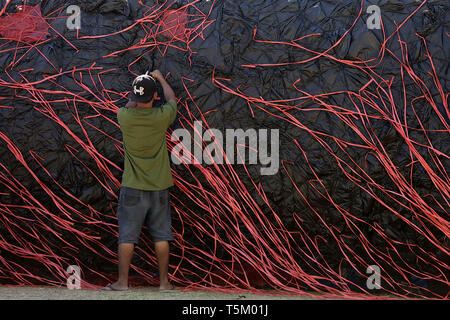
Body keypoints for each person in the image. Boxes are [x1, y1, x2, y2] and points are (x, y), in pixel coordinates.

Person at [103, 70, 177, 291]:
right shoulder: (162, 116)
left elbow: (130, 103)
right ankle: (164, 283)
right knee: (162, 235)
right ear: (155, 97)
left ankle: (122, 283)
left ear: (134, 97)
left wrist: (140, 89)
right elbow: (172, 98)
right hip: (160, 186)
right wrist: (160, 79)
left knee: (127, 236)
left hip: (133, 187)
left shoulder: (124, 116)